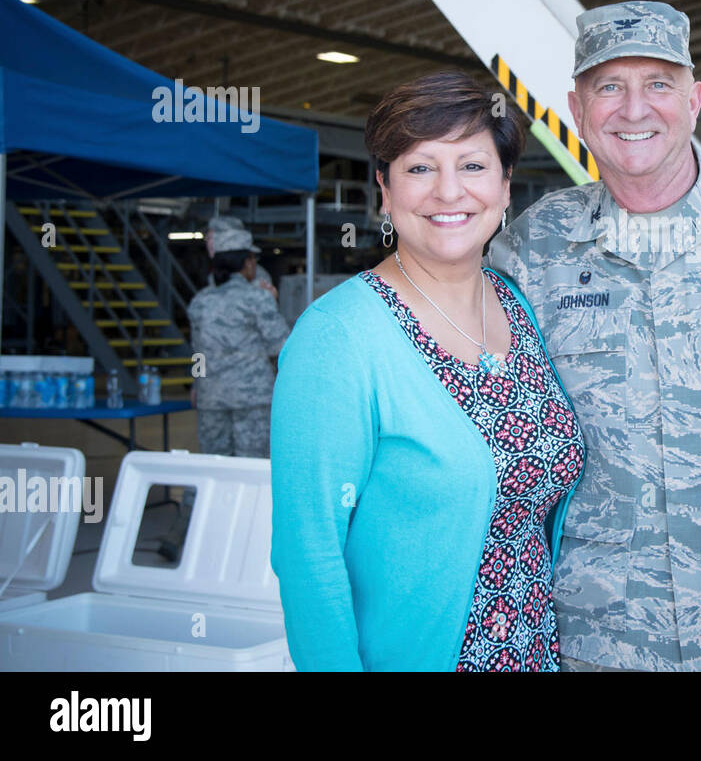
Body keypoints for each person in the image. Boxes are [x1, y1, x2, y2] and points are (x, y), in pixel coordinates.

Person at [490, 1, 701, 671]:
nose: (634, 108)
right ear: (578, 106)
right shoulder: (534, 250)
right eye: (609, 87)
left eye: (657, 83)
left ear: (694, 98)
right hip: (604, 639)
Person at [270, 71, 585, 671]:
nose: (449, 191)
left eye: (472, 166)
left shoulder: (517, 306)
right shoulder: (339, 336)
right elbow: (308, 555)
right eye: (419, 168)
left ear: (504, 185)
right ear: (384, 190)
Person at [186, 226, 289, 458]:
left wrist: (198, 386)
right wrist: (273, 302)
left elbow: (197, 353)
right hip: (252, 399)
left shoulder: (200, 301)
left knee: (212, 465)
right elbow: (281, 346)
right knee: (251, 470)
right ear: (247, 262)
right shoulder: (258, 297)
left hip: (210, 398)